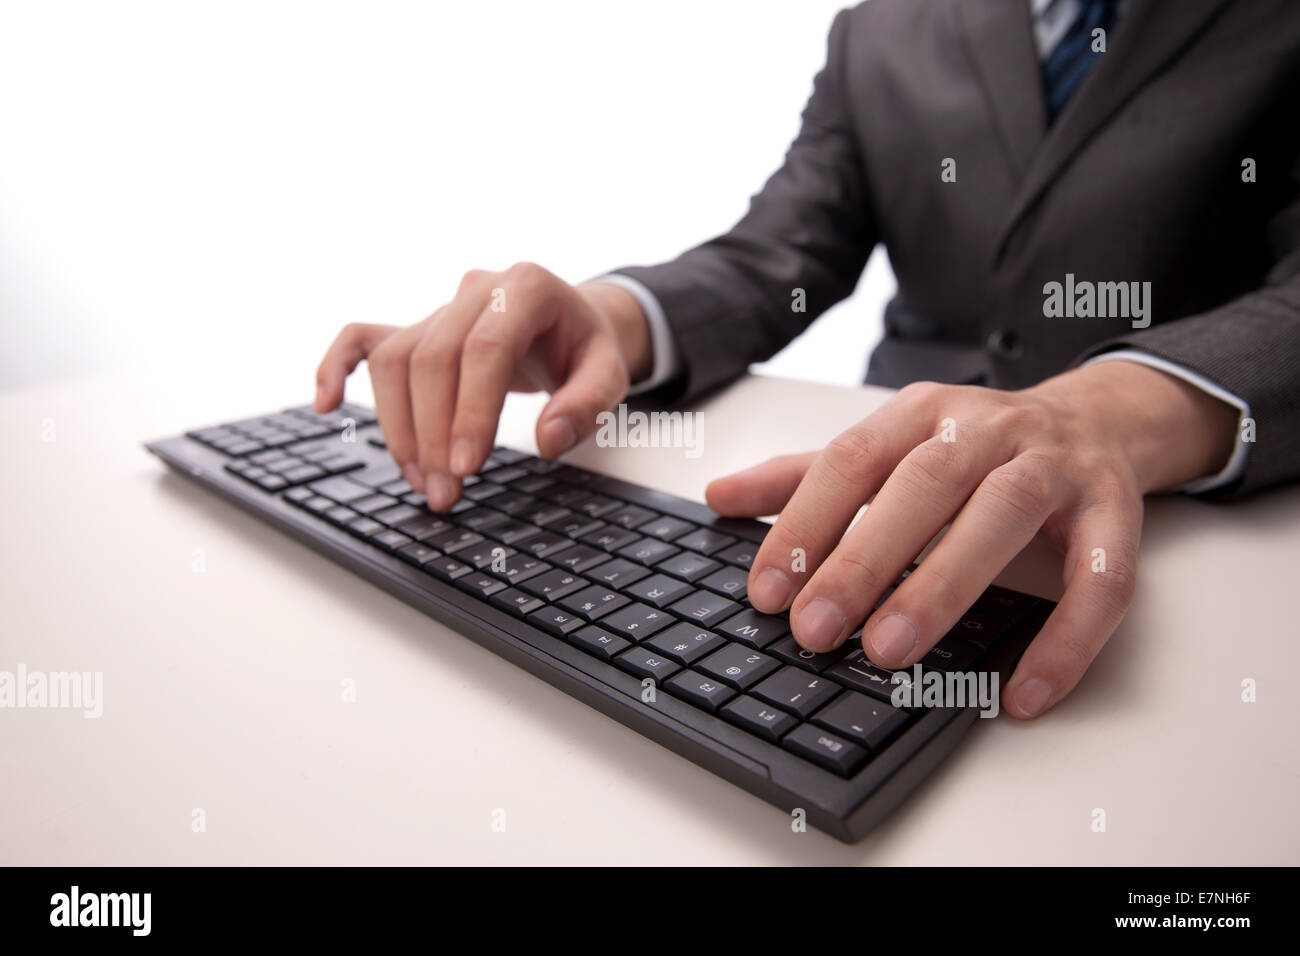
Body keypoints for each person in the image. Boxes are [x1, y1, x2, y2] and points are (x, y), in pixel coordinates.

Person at [314, 0, 1300, 719]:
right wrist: (614, 317)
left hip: (1194, 549)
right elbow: (783, 251)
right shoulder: (878, 30)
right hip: (874, 507)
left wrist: (1114, 411)